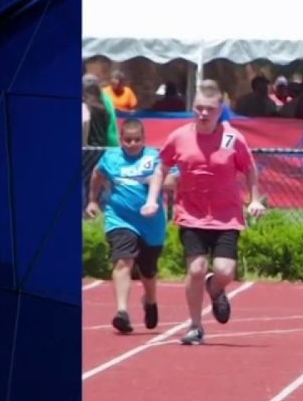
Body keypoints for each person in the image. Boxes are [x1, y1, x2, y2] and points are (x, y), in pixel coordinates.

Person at [142, 83, 265, 345]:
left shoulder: (232, 138)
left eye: (209, 109)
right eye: (198, 108)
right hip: (191, 214)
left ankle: (216, 287)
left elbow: (250, 169)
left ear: (220, 110)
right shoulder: (179, 137)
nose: (203, 114)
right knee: (195, 269)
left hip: (226, 216)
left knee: (225, 271)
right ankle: (195, 326)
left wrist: (255, 199)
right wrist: (152, 200)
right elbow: (161, 169)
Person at [86, 119, 178, 333]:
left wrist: (154, 183)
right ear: (121, 139)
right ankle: (122, 312)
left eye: (137, 140)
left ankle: (151, 300)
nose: (132, 144)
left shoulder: (154, 157)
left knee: (148, 270)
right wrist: (92, 200)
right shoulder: (111, 158)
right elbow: (97, 174)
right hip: (120, 218)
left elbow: (174, 180)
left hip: (151, 223)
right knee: (123, 261)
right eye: (128, 140)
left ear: (144, 140)